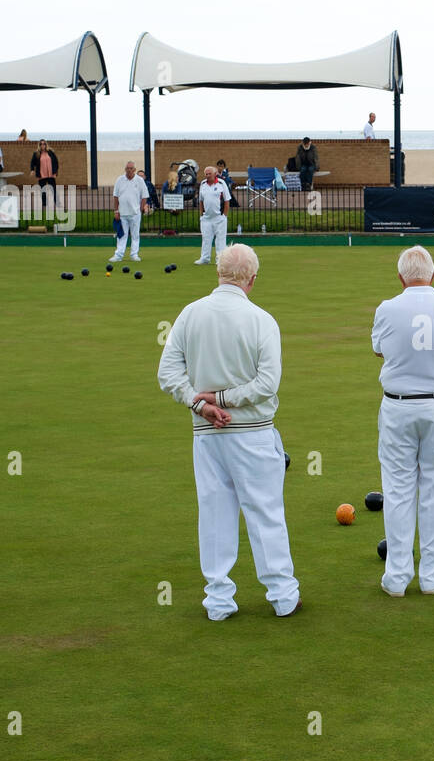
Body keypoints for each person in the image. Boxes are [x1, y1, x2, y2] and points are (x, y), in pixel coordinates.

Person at [157, 243, 301, 621]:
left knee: (215, 513)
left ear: (218, 273)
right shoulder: (261, 320)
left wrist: (201, 404)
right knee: (265, 512)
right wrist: (219, 400)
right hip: (252, 432)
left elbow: (167, 374)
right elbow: (268, 383)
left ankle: (218, 601)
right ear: (252, 280)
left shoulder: (190, 315)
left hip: (206, 435)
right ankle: (283, 596)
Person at [371, 246, 434, 597]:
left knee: (397, 489)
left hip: (397, 406)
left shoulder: (387, 308)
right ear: (433, 275)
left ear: (400, 278)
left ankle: (396, 577)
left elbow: (378, 349)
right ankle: (432, 574)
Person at [110, 161, 151, 262]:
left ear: (134, 170)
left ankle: (134, 254)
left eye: (131, 168)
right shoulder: (119, 180)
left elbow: (144, 196)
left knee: (135, 235)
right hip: (122, 213)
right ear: (125, 169)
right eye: (127, 168)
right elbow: (116, 196)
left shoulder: (140, 181)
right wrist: (116, 211)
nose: (129, 170)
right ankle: (118, 255)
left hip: (135, 213)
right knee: (121, 235)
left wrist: (140, 209)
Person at [195, 166, 231, 265]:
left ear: (215, 174)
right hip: (206, 218)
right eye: (206, 174)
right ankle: (205, 258)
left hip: (219, 217)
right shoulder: (202, 184)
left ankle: (220, 259)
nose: (207, 175)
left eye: (209, 173)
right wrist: (201, 215)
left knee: (220, 240)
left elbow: (227, 200)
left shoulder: (221, 183)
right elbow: (201, 201)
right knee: (206, 238)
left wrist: (224, 215)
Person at [29, 139, 58, 207]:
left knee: (53, 189)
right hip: (42, 175)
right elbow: (32, 163)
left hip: (51, 174)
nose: (42, 145)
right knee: (43, 190)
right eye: (41, 144)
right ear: (39, 145)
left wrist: (55, 171)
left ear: (46, 145)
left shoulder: (50, 152)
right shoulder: (36, 153)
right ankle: (44, 204)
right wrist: (32, 170)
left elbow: (56, 162)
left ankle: (57, 202)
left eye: (44, 144)